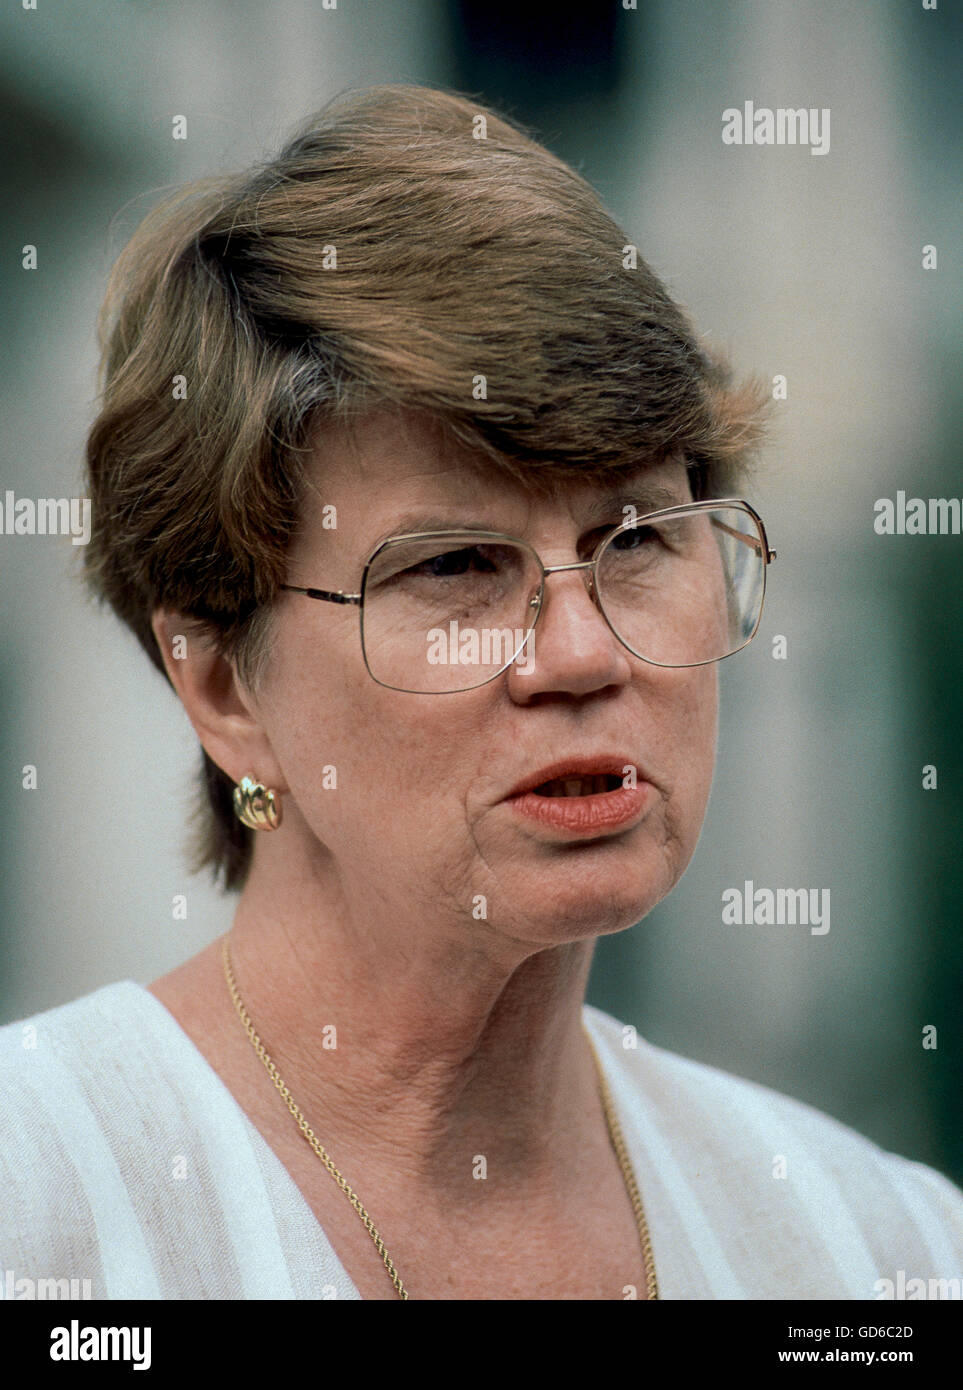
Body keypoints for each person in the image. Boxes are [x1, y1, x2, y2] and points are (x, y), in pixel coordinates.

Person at [2, 83, 961, 1302]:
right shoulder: (42, 1207)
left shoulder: (876, 1253)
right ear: (221, 683)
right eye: (455, 566)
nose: (581, 654)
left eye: (637, 538)